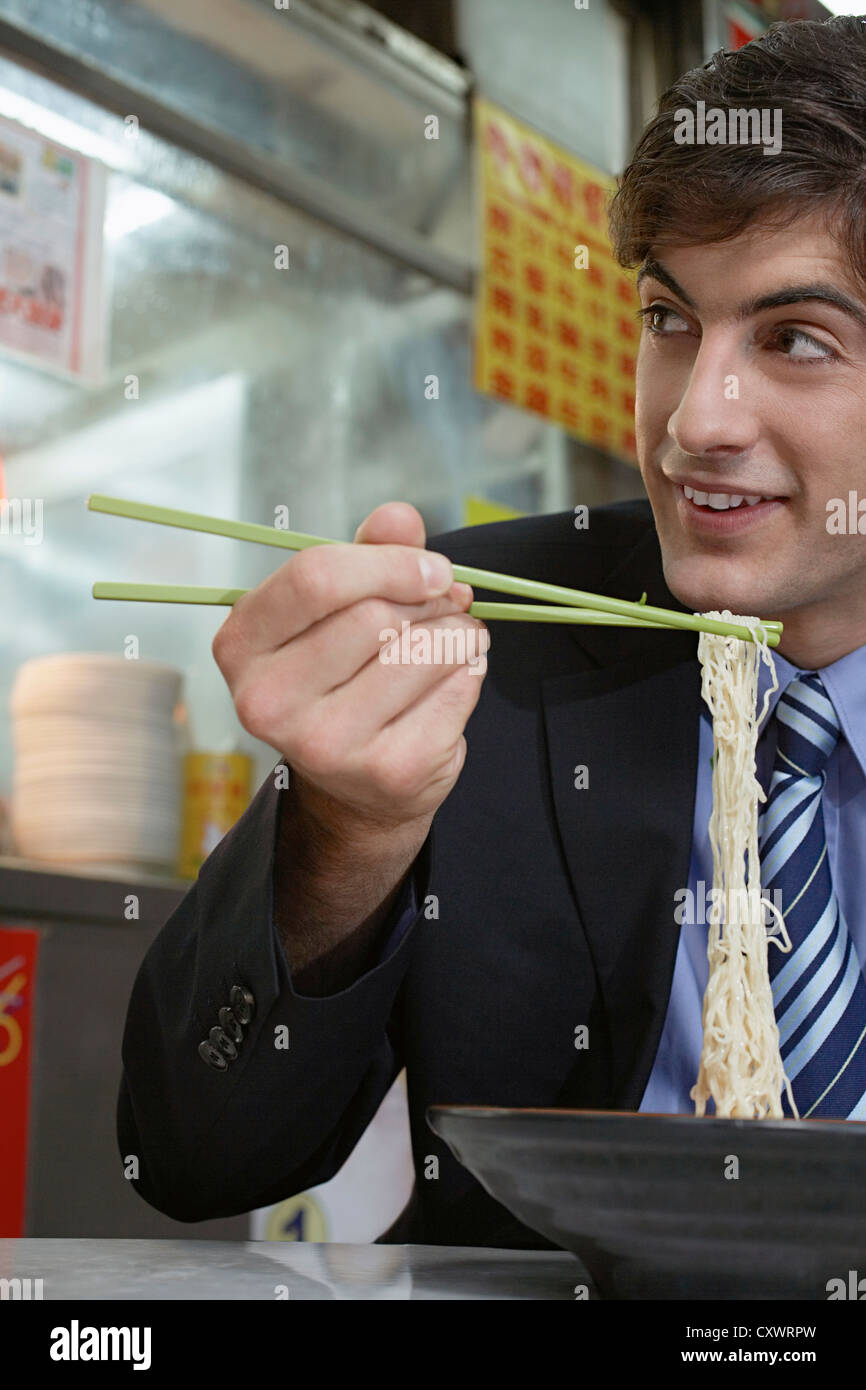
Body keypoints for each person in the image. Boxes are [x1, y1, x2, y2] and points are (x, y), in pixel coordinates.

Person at [118, 15, 866, 1247]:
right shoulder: (476, 634)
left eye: (793, 339)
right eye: (669, 321)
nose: (695, 422)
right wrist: (344, 834)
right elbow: (188, 1153)